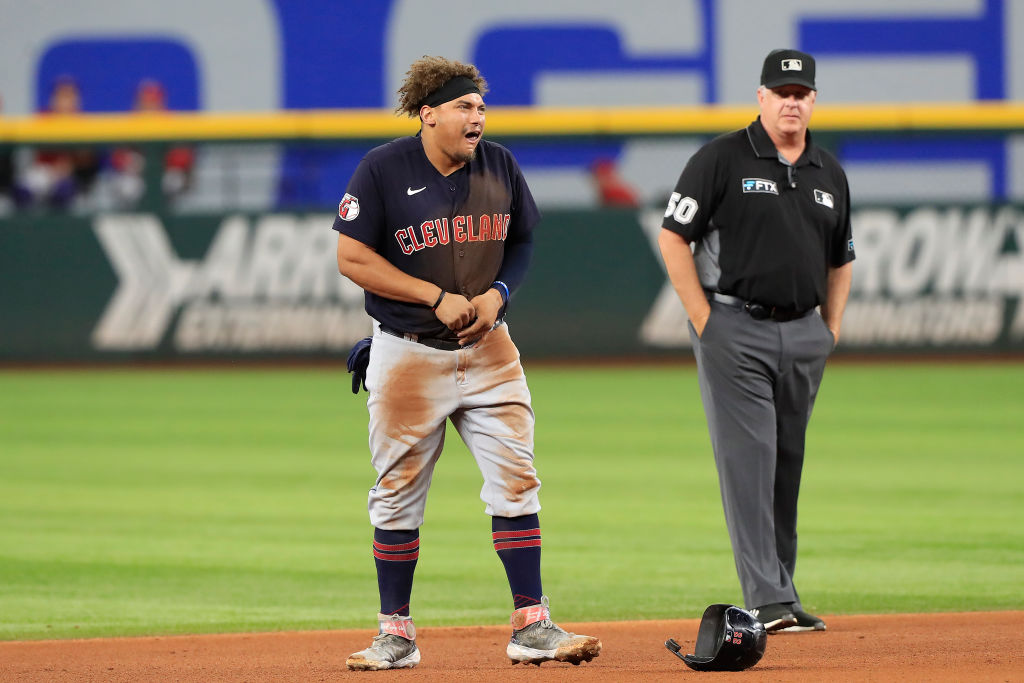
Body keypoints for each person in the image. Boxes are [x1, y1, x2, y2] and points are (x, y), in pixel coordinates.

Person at [333, 55, 601, 671]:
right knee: (397, 497)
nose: (477, 115)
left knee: (516, 481)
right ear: (428, 114)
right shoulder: (381, 169)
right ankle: (395, 635)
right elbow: (351, 257)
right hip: (407, 352)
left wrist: (499, 293)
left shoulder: (500, 165)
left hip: (490, 349)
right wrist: (434, 296)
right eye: (463, 105)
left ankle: (531, 626)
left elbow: (524, 241)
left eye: (480, 106)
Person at [657, 49, 854, 633]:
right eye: (781, 91)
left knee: (785, 463)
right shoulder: (720, 158)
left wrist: (830, 328)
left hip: (803, 331)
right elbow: (673, 237)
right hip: (734, 327)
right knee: (750, 462)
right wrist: (704, 320)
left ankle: (783, 593)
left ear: (813, 100)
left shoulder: (828, 172)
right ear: (761, 97)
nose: (791, 101)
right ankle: (766, 599)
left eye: (801, 92)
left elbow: (841, 259)